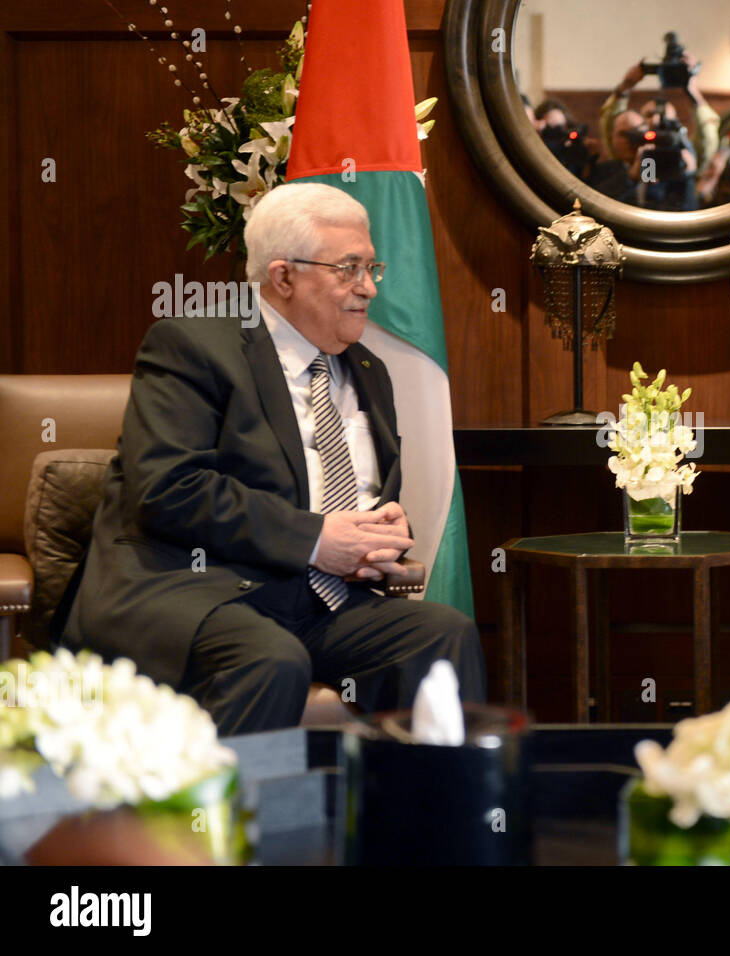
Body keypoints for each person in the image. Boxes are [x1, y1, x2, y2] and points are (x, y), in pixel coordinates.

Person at [61, 182, 485, 735]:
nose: (368, 289)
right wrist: (315, 539)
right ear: (283, 276)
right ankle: (227, 821)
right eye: (349, 269)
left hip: (317, 600)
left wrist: (378, 528)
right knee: (270, 660)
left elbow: (350, 490)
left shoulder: (366, 369)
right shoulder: (192, 344)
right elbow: (169, 486)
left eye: (371, 268)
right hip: (198, 589)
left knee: (441, 633)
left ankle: (428, 817)